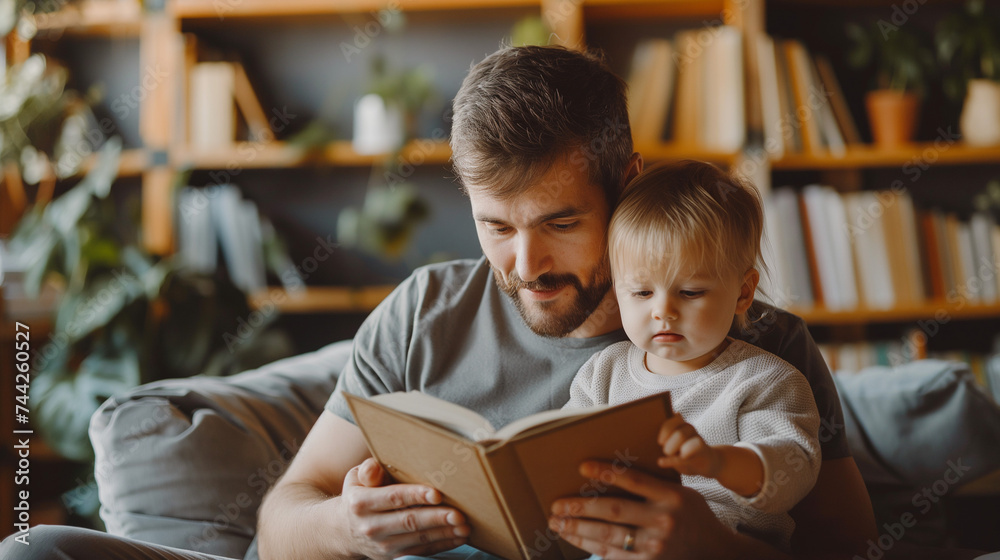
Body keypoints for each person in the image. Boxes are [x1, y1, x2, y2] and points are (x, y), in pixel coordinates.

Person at [0, 45, 876, 560]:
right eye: (495, 225)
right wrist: (348, 527)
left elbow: (853, 548)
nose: (525, 265)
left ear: (626, 181)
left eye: (561, 223)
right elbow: (283, 522)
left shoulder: (755, 341)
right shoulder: (425, 312)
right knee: (42, 549)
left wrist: (707, 548)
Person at [559, 160, 820, 553]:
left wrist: (717, 463)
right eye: (642, 292)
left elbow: (792, 471)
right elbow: (560, 449)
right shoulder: (603, 373)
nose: (663, 311)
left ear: (743, 293)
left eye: (691, 292)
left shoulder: (767, 381)